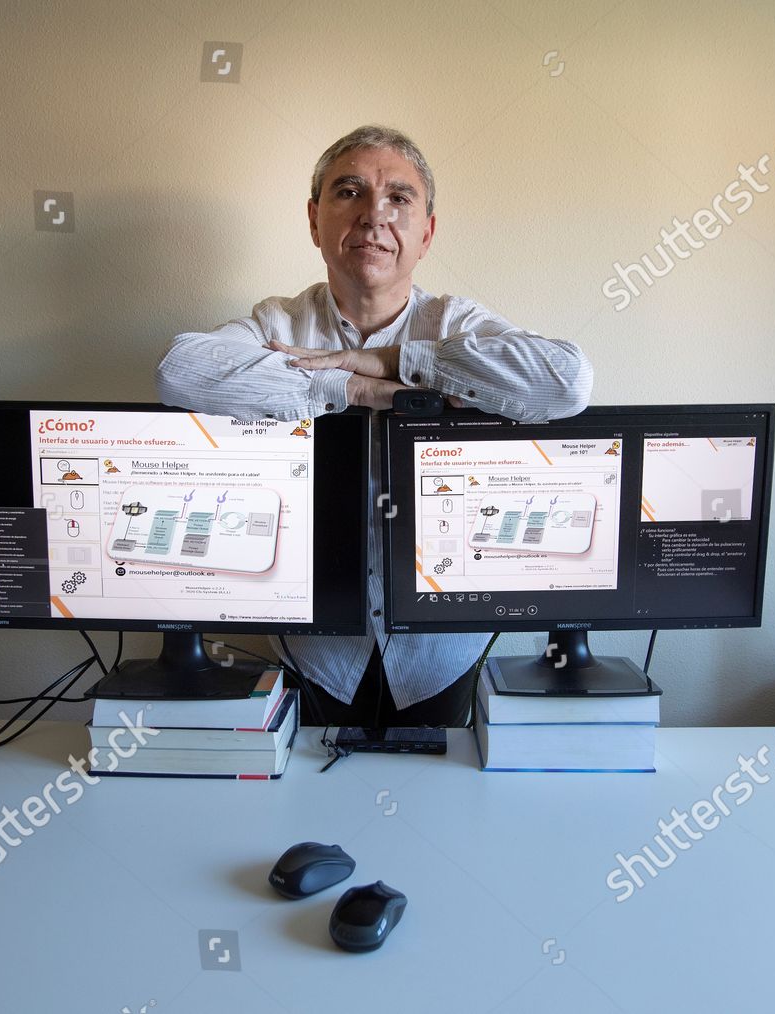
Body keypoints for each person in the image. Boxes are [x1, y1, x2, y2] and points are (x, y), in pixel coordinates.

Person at [155, 124, 592, 728]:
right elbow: (179, 371)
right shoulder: (277, 324)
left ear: (426, 233)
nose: (373, 216)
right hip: (311, 643)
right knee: (302, 784)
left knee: (436, 786)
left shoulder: (457, 324)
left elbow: (566, 382)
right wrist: (352, 389)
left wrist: (395, 362)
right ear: (315, 220)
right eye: (349, 192)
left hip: (441, 647)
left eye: (398, 198)